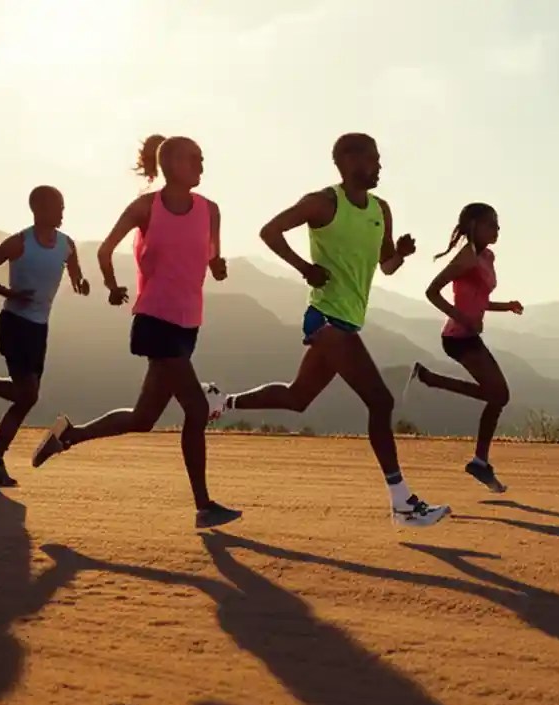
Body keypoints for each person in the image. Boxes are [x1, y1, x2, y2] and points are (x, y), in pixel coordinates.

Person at [220, 133, 451, 528]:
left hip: (347, 319)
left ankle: (222, 402)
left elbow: (387, 266)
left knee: (297, 398)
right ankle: (401, 502)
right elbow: (269, 231)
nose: (380, 166)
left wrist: (402, 255)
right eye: (373, 159)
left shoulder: (382, 209)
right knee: (380, 401)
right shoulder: (323, 203)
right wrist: (304, 268)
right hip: (324, 318)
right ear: (347, 161)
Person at [30, 134, 240, 529]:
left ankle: (68, 436)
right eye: (195, 158)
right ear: (173, 165)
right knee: (196, 408)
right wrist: (112, 287)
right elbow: (105, 249)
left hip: (188, 323)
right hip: (155, 320)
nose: (201, 165)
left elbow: (212, 255)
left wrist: (217, 266)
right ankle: (204, 507)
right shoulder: (146, 208)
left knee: (144, 417)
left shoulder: (211, 210)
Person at [0, 185, 90, 486]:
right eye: (58, 207)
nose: (63, 212)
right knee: (28, 395)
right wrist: (8, 292)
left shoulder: (67, 245)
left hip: (39, 329)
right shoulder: (19, 243)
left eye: (64, 206)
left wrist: (81, 282)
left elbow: (75, 271)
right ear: (39, 210)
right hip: (14, 323)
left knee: (25, 396)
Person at [407, 202, 522, 493]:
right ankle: (431, 381)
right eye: (491, 223)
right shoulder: (466, 257)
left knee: (498, 396)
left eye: (498, 223)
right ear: (474, 226)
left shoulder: (487, 257)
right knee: (499, 395)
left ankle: (480, 461)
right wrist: (463, 317)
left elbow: (479, 299)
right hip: (458, 337)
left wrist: (504, 306)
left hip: (468, 335)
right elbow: (432, 291)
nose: (497, 229)